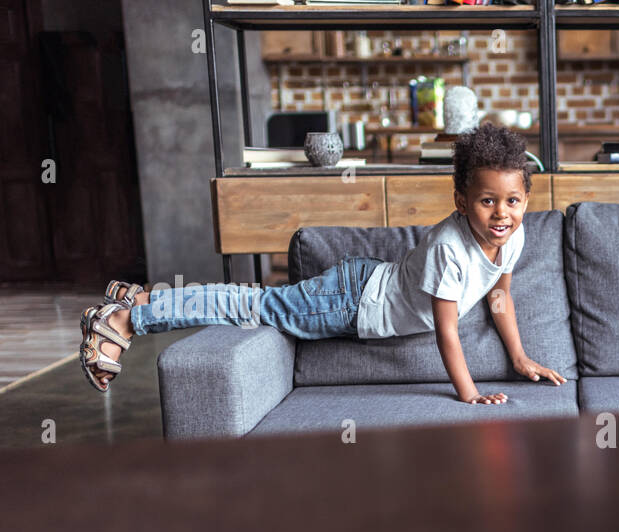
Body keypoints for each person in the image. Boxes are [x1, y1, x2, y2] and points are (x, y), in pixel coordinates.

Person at [78, 122, 565, 405]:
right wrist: (470, 395)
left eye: (513, 201)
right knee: (250, 306)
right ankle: (128, 317)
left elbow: (500, 294)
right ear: (461, 201)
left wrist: (519, 359)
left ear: (525, 199)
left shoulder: (514, 234)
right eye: (486, 201)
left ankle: (140, 297)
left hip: (365, 284)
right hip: (350, 303)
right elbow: (446, 331)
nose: (502, 214)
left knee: (254, 304)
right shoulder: (448, 249)